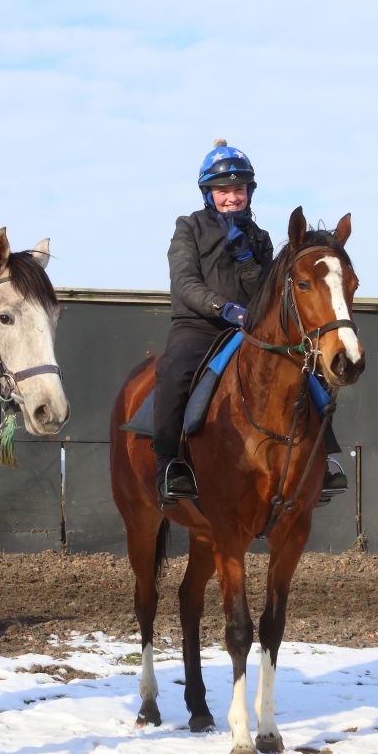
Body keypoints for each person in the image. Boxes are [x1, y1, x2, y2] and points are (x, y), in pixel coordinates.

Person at [154, 139, 349, 505]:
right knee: (175, 371)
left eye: (239, 190)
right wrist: (221, 307)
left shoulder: (259, 238)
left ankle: (322, 460)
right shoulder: (189, 227)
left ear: (249, 192)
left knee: (309, 371)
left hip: (249, 329)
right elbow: (184, 281)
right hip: (199, 327)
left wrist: (247, 259)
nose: (232, 197)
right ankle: (169, 463)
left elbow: (263, 292)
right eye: (223, 190)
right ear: (209, 194)